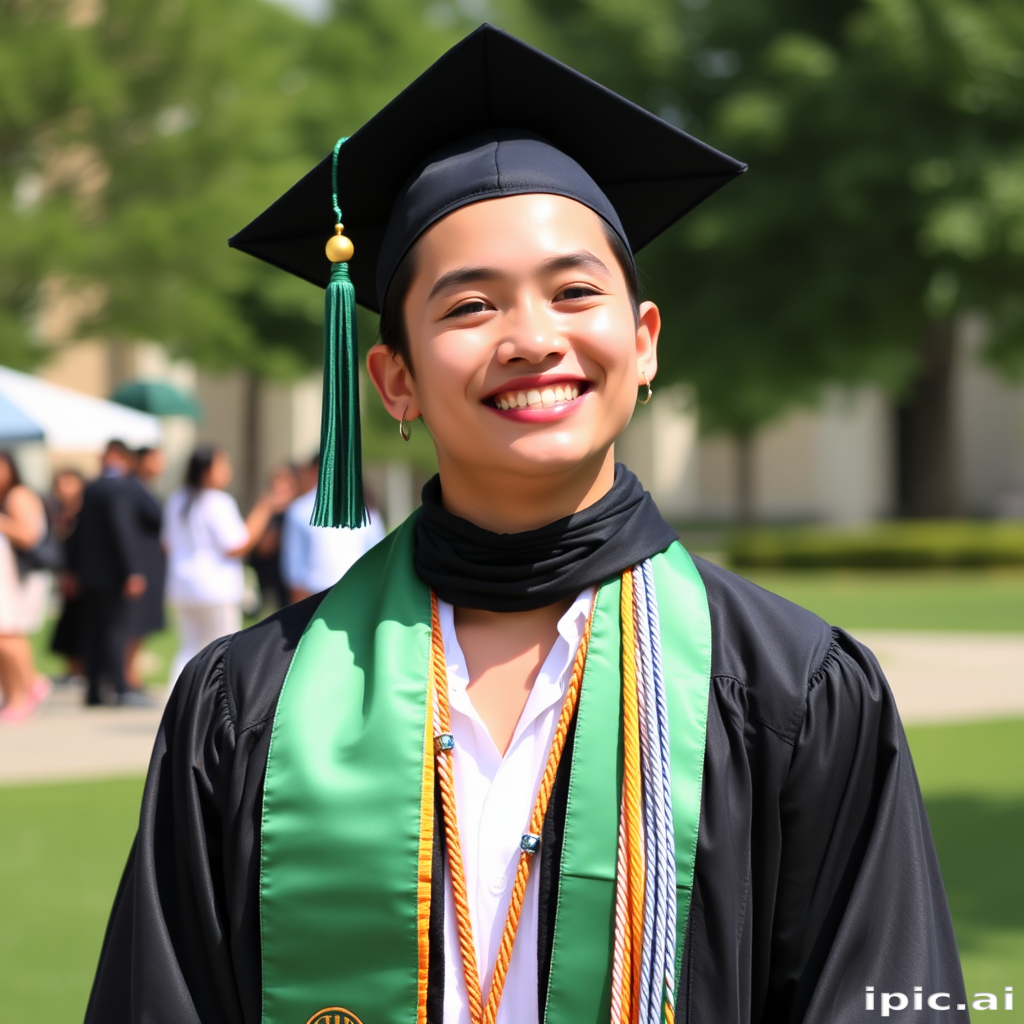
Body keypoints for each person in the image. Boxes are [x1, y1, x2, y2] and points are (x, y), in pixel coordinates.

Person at [87, 26, 968, 1024]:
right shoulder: (247, 703)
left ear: (641, 345)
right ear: (395, 380)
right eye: (469, 307)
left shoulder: (790, 691)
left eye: (573, 292)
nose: (533, 340)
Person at [162, 446, 287, 685]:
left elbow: (166, 544)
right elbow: (236, 545)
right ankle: (216, 707)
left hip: (183, 585)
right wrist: (265, 507)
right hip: (216, 586)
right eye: (223, 466)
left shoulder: (177, 499)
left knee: (189, 647)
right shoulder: (218, 502)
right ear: (208, 471)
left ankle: (177, 702)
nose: (227, 471)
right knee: (222, 647)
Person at [66, 439, 149, 707]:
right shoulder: (118, 488)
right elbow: (121, 530)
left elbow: (77, 533)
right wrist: (132, 570)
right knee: (116, 630)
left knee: (93, 632)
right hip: (113, 575)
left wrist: (74, 569)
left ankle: (93, 690)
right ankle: (120, 688)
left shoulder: (92, 488)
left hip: (90, 575)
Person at [280, 453, 385, 603]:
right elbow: (294, 566)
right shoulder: (301, 509)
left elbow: (377, 555)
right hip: (317, 595)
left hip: (354, 593)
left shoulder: (366, 509)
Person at [0, 451, 51, 723]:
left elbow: (28, 536)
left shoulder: (18, 496)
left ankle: (28, 687)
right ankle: (12, 694)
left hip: (19, 578)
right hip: (8, 578)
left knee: (9, 633)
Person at [124, 447, 167, 691]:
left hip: (150, 563)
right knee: (135, 621)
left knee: (142, 623)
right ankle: (128, 676)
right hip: (141, 565)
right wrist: (133, 570)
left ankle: (131, 674)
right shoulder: (132, 488)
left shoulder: (145, 488)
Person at [49, 468, 87, 686]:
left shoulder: (86, 513)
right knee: (68, 623)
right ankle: (72, 670)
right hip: (66, 576)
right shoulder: (58, 513)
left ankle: (82, 670)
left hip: (82, 577)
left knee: (80, 623)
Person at [246, 463, 297, 614]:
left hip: (289, 575)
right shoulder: (264, 510)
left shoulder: (299, 511)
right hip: (266, 572)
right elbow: (262, 546)